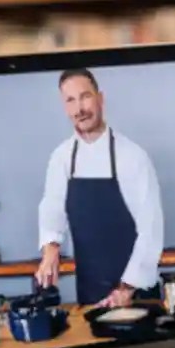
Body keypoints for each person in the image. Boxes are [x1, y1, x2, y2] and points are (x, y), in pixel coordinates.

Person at [36, 69, 164, 308]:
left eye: (85, 96)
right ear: (65, 107)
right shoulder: (61, 158)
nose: (79, 109)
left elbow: (151, 229)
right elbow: (52, 207)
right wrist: (51, 249)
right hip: (90, 292)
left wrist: (127, 287)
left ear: (100, 98)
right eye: (70, 100)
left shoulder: (133, 157)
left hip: (136, 293)